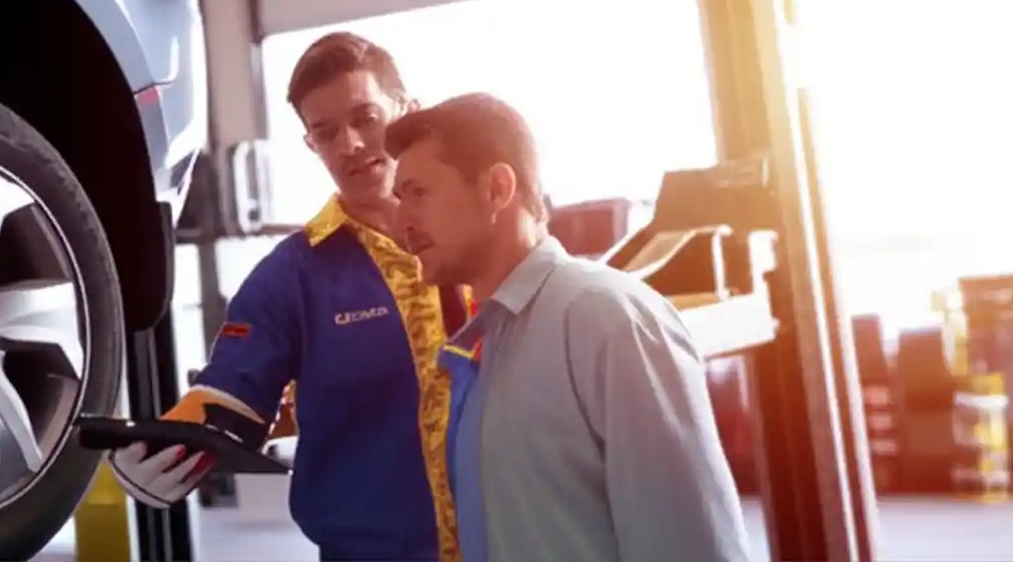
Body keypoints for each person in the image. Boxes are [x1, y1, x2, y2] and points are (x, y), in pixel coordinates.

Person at [110, 32, 466, 562]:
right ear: (311, 145)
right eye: (325, 133)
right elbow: (231, 394)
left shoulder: (476, 241)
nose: (348, 144)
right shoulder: (290, 277)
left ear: (408, 110)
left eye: (366, 118)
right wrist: (167, 446)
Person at [388, 92, 752, 562]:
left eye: (418, 193)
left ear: (497, 188)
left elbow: (692, 545)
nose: (401, 223)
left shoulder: (609, 318)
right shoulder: (491, 340)